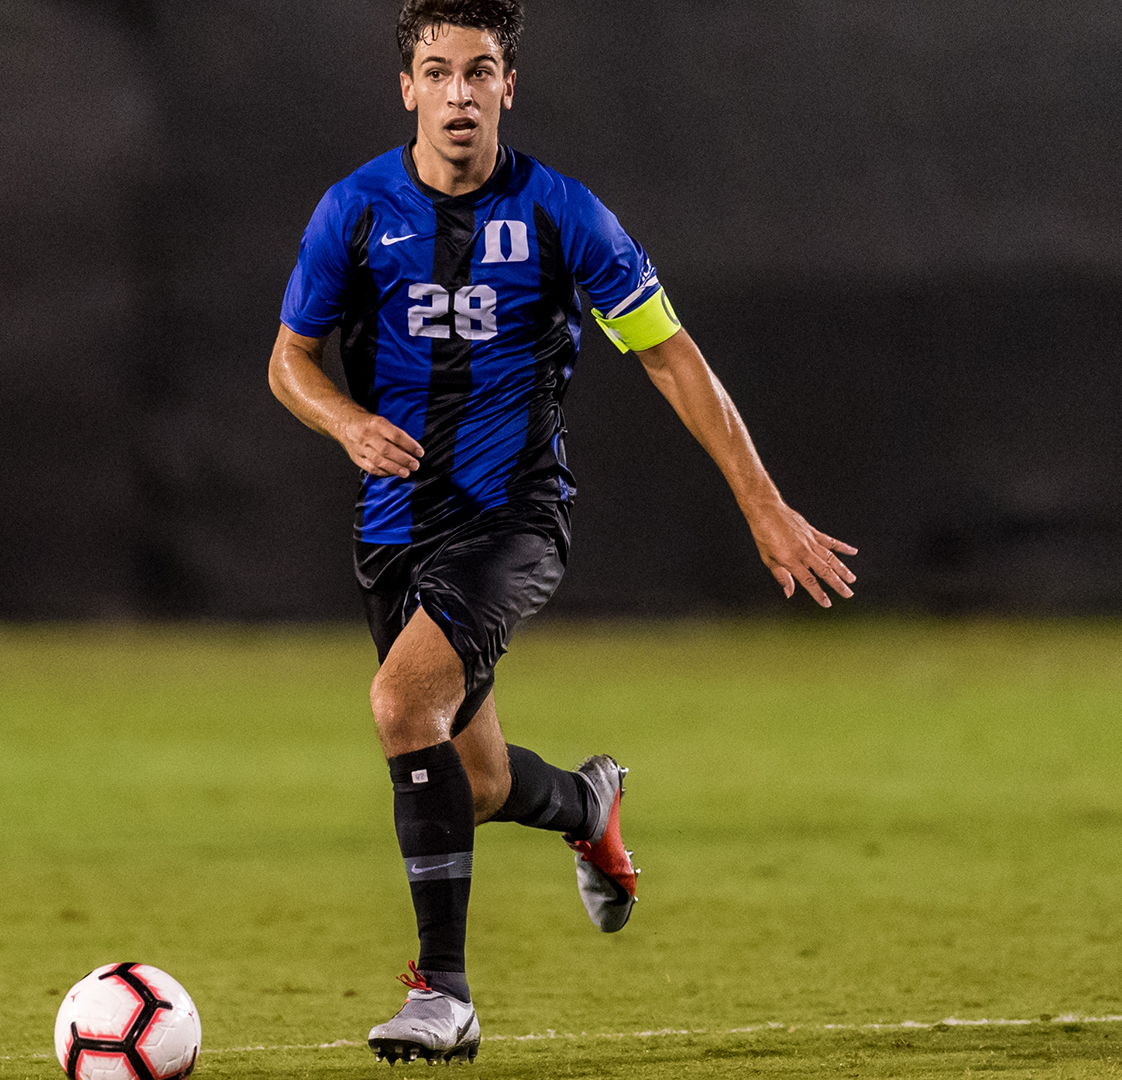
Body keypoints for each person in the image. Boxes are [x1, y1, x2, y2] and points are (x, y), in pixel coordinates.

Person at [266, 0, 858, 1063]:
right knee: (476, 781)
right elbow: (288, 362)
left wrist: (761, 500)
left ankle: (440, 993)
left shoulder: (561, 215)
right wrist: (348, 421)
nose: (459, 93)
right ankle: (588, 801)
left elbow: (670, 354)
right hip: (396, 525)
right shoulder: (354, 212)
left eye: (479, 71)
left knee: (403, 702)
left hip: (513, 517)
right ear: (407, 88)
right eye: (438, 72)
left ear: (508, 86)